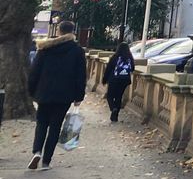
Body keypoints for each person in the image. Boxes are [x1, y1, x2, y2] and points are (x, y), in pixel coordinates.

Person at [26, 19, 87, 170]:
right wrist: (79, 96)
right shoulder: (77, 51)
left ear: (58, 31)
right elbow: (81, 76)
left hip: (44, 93)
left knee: (41, 124)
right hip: (64, 95)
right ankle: (46, 161)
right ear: (73, 31)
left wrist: (31, 91)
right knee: (55, 127)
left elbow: (34, 72)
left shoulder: (45, 48)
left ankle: (37, 151)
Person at [102, 42, 135, 122]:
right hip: (124, 80)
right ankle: (115, 116)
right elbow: (132, 68)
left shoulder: (115, 57)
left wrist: (105, 79)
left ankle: (113, 108)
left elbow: (109, 68)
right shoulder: (129, 57)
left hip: (114, 79)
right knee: (118, 97)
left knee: (110, 96)